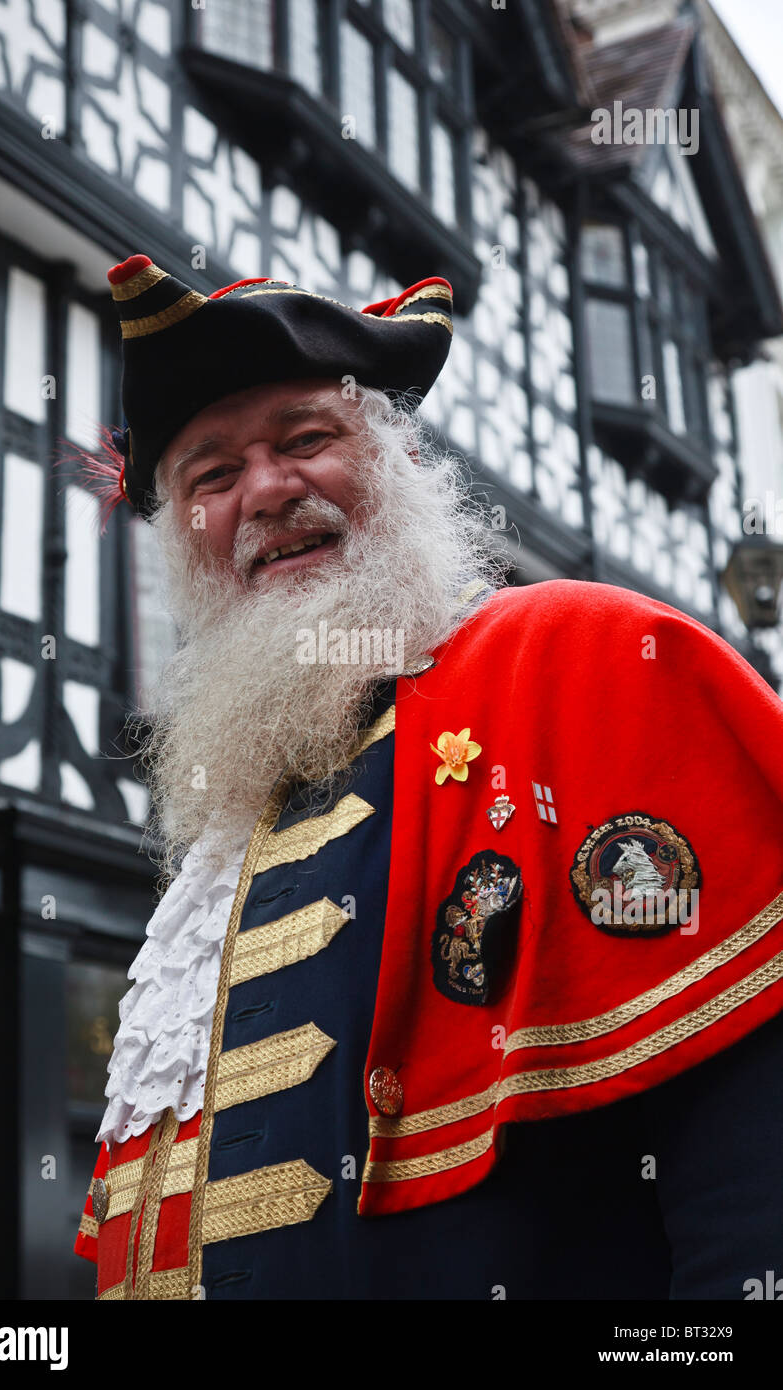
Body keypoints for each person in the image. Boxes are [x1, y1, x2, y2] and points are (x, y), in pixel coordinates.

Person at [73, 255, 783, 1301]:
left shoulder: (578, 661)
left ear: (399, 453)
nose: (264, 489)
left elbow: (748, 1187)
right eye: (210, 476)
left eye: (306, 437)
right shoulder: (216, 858)